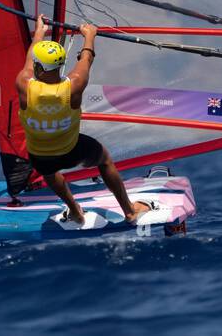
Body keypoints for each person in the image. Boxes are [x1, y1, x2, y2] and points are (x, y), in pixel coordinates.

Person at [15, 15, 151, 226]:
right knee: (104, 159)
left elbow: (28, 60)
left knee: (49, 171)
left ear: (39, 67)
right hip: (71, 151)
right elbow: (86, 59)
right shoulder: (74, 85)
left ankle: (75, 210)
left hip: (39, 157)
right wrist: (89, 35)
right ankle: (130, 211)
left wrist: (40, 33)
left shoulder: (24, 84)